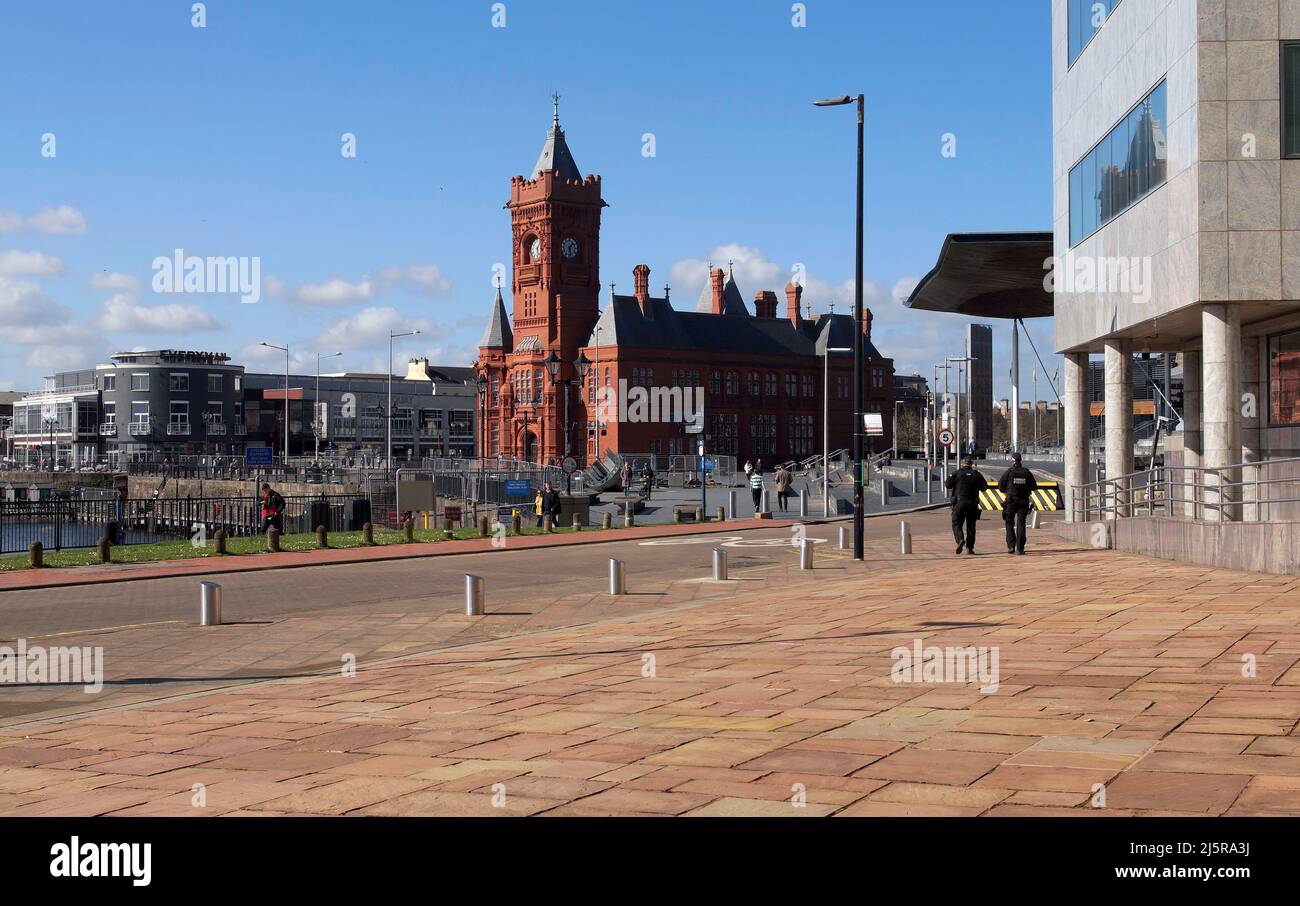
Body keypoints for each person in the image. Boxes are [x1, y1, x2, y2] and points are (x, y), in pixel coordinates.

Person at [945, 457, 987, 555]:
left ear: (963, 463)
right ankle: (970, 548)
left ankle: (960, 540)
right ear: (971, 463)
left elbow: (947, 485)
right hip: (972, 503)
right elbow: (984, 487)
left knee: (956, 523)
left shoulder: (957, 473)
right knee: (971, 526)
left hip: (959, 503)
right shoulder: (977, 474)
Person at [998, 452, 1038, 555]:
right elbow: (1034, 486)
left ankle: (1011, 546)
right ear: (1021, 460)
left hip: (1011, 501)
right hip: (1023, 501)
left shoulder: (1009, 472)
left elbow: (1000, 486)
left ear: (1012, 461)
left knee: (1009, 522)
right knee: (1021, 523)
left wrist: (1007, 490)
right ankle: (1020, 548)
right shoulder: (1026, 472)